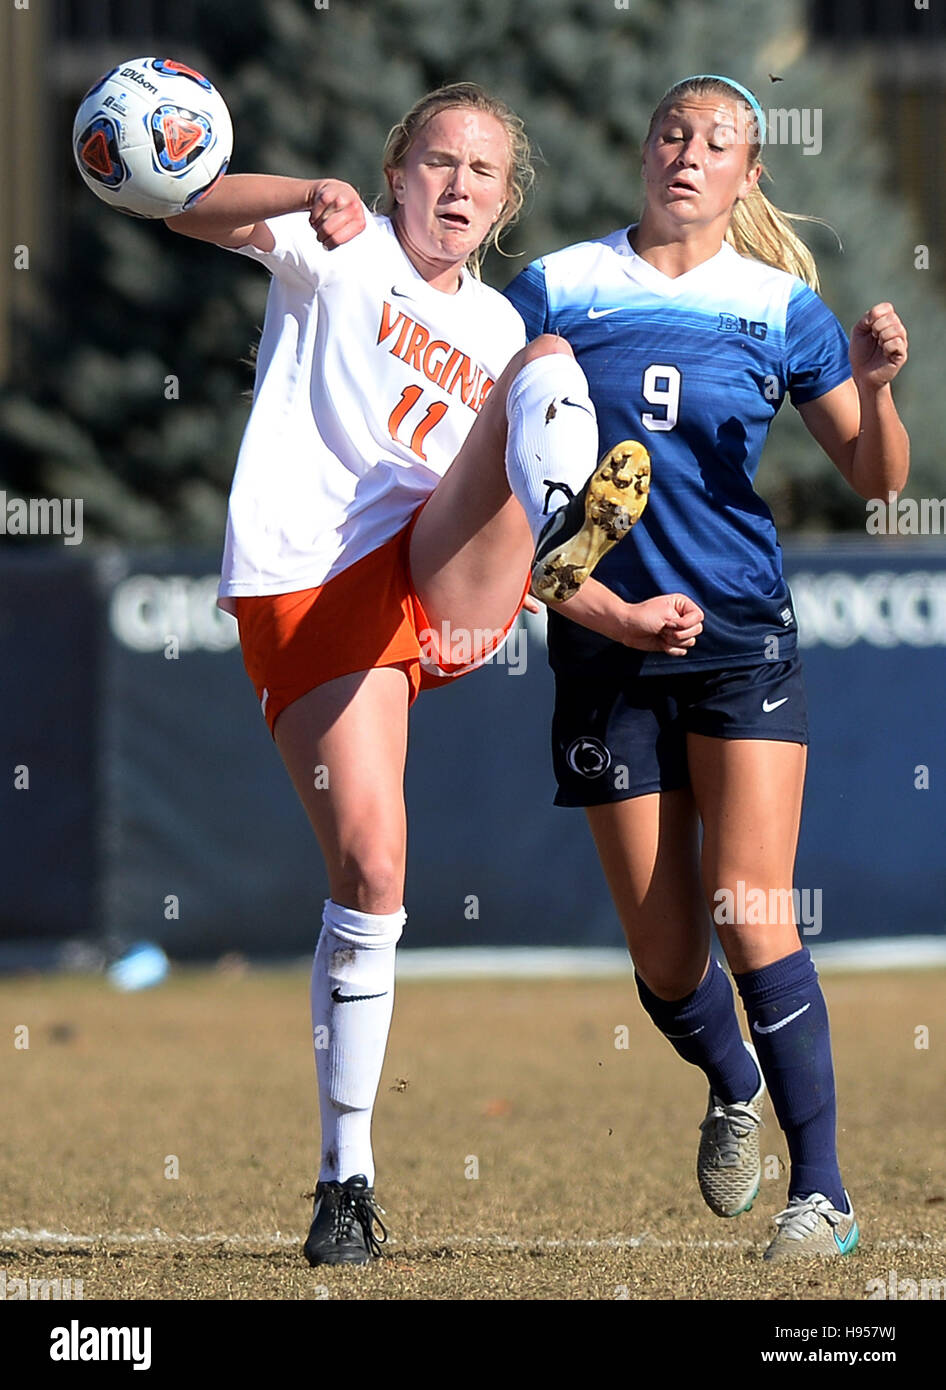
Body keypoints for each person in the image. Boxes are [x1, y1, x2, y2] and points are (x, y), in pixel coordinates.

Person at [165, 82, 703, 1266]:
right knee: (372, 864)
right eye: (440, 162)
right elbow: (185, 206)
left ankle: (574, 512)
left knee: (543, 357)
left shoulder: (496, 326)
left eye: (484, 173)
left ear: (506, 204)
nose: (460, 186)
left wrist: (610, 609)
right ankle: (344, 1177)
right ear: (398, 172)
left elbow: (508, 516)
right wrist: (303, 194)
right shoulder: (335, 248)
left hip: (444, 574)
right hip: (316, 585)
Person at [504, 74, 909, 1261]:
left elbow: (876, 480)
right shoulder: (557, 287)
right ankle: (729, 1078)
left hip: (737, 635)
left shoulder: (782, 307)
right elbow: (505, 451)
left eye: (717, 142)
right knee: (666, 955)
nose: (689, 154)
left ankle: (821, 1194)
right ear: (646, 150)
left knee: (751, 905)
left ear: (749, 175)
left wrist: (876, 391)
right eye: (673, 133)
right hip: (603, 642)